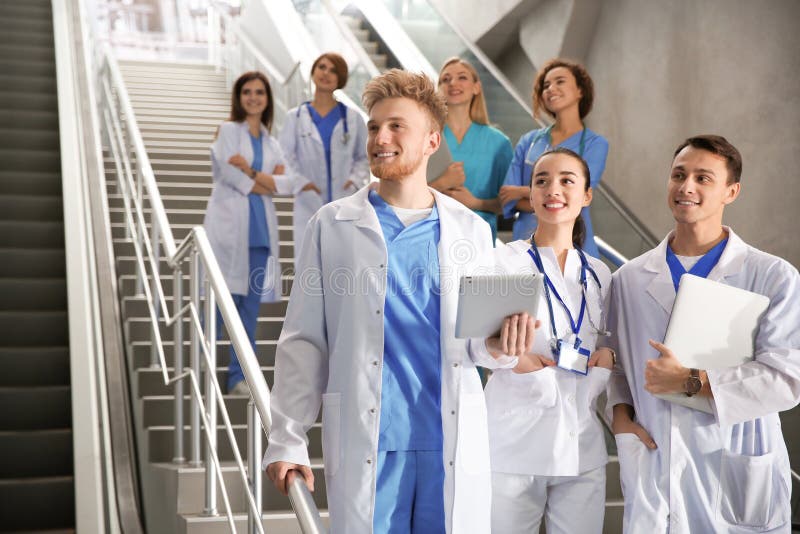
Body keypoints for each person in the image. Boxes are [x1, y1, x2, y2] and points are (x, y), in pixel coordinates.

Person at [263, 69, 495, 533]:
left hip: (446, 436)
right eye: (374, 127)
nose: (380, 138)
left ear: (432, 141)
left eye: (396, 127)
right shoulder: (332, 225)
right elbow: (304, 340)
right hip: (371, 436)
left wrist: (503, 346)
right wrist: (288, 438)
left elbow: (480, 345)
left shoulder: (472, 230)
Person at [607, 135, 800, 533]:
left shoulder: (772, 276)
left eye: (702, 178)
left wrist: (693, 382)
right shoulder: (627, 279)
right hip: (654, 464)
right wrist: (620, 418)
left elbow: (787, 378)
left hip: (736, 464)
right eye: (678, 175)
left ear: (732, 191)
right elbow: (616, 365)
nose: (686, 187)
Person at [470, 148, 614, 533]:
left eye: (567, 180)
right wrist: (509, 357)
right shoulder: (499, 261)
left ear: (586, 195)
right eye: (542, 180)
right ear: (531, 196)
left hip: (582, 447)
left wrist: (606, 361)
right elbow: (472, 345)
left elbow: (605, 343)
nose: (554, 189)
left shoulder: (601, 274)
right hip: (512, 447)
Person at [202, 71, 292, 394]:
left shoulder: (272, 142)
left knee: (249, 311)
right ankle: (203, 365)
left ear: (268, 99)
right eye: (247, 92)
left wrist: (251, 171)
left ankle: (238, 377)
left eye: (260, 92)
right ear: (238, 98)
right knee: (220, 304)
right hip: (229, 230)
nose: (253, 98)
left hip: (260, 234)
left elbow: (285, 184)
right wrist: (263, 181)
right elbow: (227, 173)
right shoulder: (227, 131)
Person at [499, 58, 608, 257]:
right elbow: (508, 196)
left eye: (560, 81)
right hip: (526, 239)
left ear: (580, 91)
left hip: (575, 241)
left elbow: (578, 193)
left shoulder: (596, 144)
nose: (550, 88)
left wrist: (525, 192)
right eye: (546, 85)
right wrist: (557, 201)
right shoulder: (529, 140)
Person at [279, 52, 369, 262]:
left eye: (333, 70)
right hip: (308, 200)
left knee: (342, 265)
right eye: (322, 67)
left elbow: (364, 157)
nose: (326, 74)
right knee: (309, 265)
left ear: (341, 78)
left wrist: (354, 180)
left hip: (344, 198)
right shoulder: (296, 117)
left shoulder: (353, 118)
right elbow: (284, 157)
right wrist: (302, 183)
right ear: (313, 72)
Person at [429, 57, 513, 242]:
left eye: (462, 77)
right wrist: (442, 183)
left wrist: (476, 203)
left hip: (477, 238)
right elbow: (408, 194)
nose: (453, 83)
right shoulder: (426, 137)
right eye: (446, 79)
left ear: (476, 87)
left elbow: (508, 203)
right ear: (439, 90)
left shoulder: (499, 143)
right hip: (432, 234)